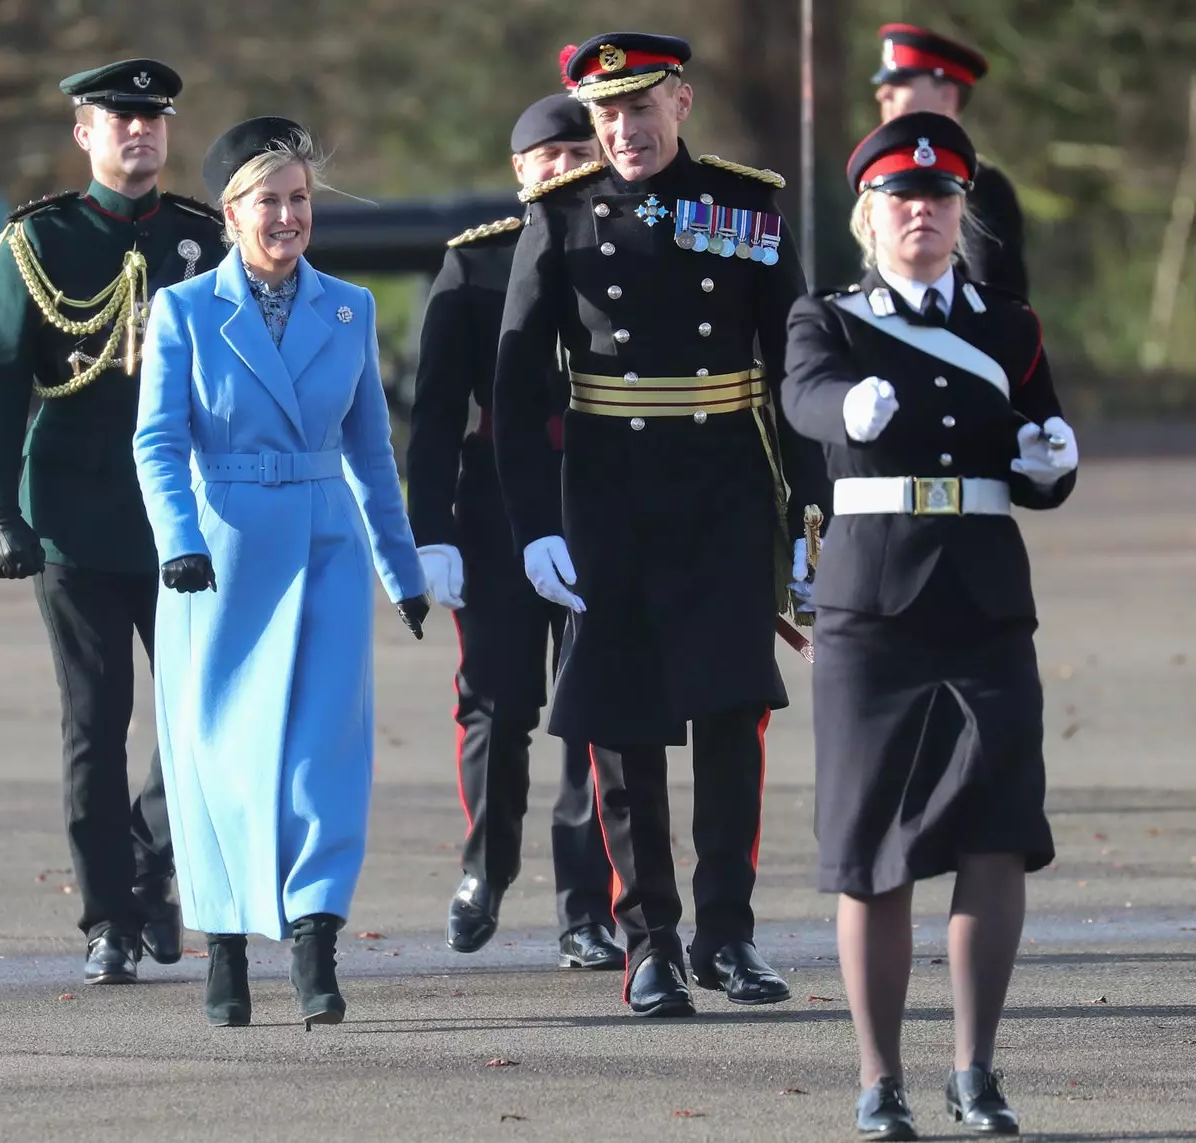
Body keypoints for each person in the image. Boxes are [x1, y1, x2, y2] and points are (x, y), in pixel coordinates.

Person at [492, 32, 831, 1017]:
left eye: (640, 108)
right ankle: (649, 943)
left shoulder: (740, 205)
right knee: (620, 723)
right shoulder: (558, 217)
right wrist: (533, 526)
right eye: (605, 115)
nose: (623, 131)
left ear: (680, 103)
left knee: (733, 713)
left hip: (725, 486)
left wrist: (811, 522)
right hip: (608, 495)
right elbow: (516, 391)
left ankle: (728, 935)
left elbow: (796, 364)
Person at [781, 112, 1077, 1139]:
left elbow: (1038, 432)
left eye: (940, 198)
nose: (923, 213)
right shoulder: (830, 317)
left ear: (961, 214)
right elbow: (802, 396)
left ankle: (977, 1072)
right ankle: (878, 1079)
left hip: (986, 601)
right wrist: (840, 410)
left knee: (996, 838)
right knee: (874, 850)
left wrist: (1052, 464)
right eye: (902, 200)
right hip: (874, 611)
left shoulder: (1008, 323)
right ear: (867, 216)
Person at [133, 118, 429, 1029]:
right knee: (215, 757)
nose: (290, 216)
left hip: (327, 545)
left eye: (301, 199)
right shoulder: (185, 310)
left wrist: (401, 566)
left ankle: (314, 942)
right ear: (231, 212)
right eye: (271, 200)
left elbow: (373, 450)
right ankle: (222, 947)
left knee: (322, 756)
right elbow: (157, 439)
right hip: (218, 555)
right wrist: (178, 536)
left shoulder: (349, 308)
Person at [0, 59, 224, 985]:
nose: (141, 133)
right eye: (121, 119)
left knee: (197, 714)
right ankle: (107, 918)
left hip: (180, 520)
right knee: (94, 721)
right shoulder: (39, 242)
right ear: (85, 132)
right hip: (74, 515)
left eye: (154, 120)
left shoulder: (205, 235)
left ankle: (150, 857)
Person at [406, 93, 621, 970]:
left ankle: (587, 911)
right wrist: (431, 532)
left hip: (604, 502)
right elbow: (433, 415)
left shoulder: (633, 256)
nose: (566, 169)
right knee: (497, 701)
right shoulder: (475, 264)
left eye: (581, 153)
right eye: (549, 159)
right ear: (519, 173)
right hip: (496, 508)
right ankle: (485, 869)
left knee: (597, 712)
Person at [873, 24, 1028, 297]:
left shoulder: (982, 187)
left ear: (947, 95)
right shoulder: (876, 182)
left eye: (901, 83)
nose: (882, 94)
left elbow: (999, 302)